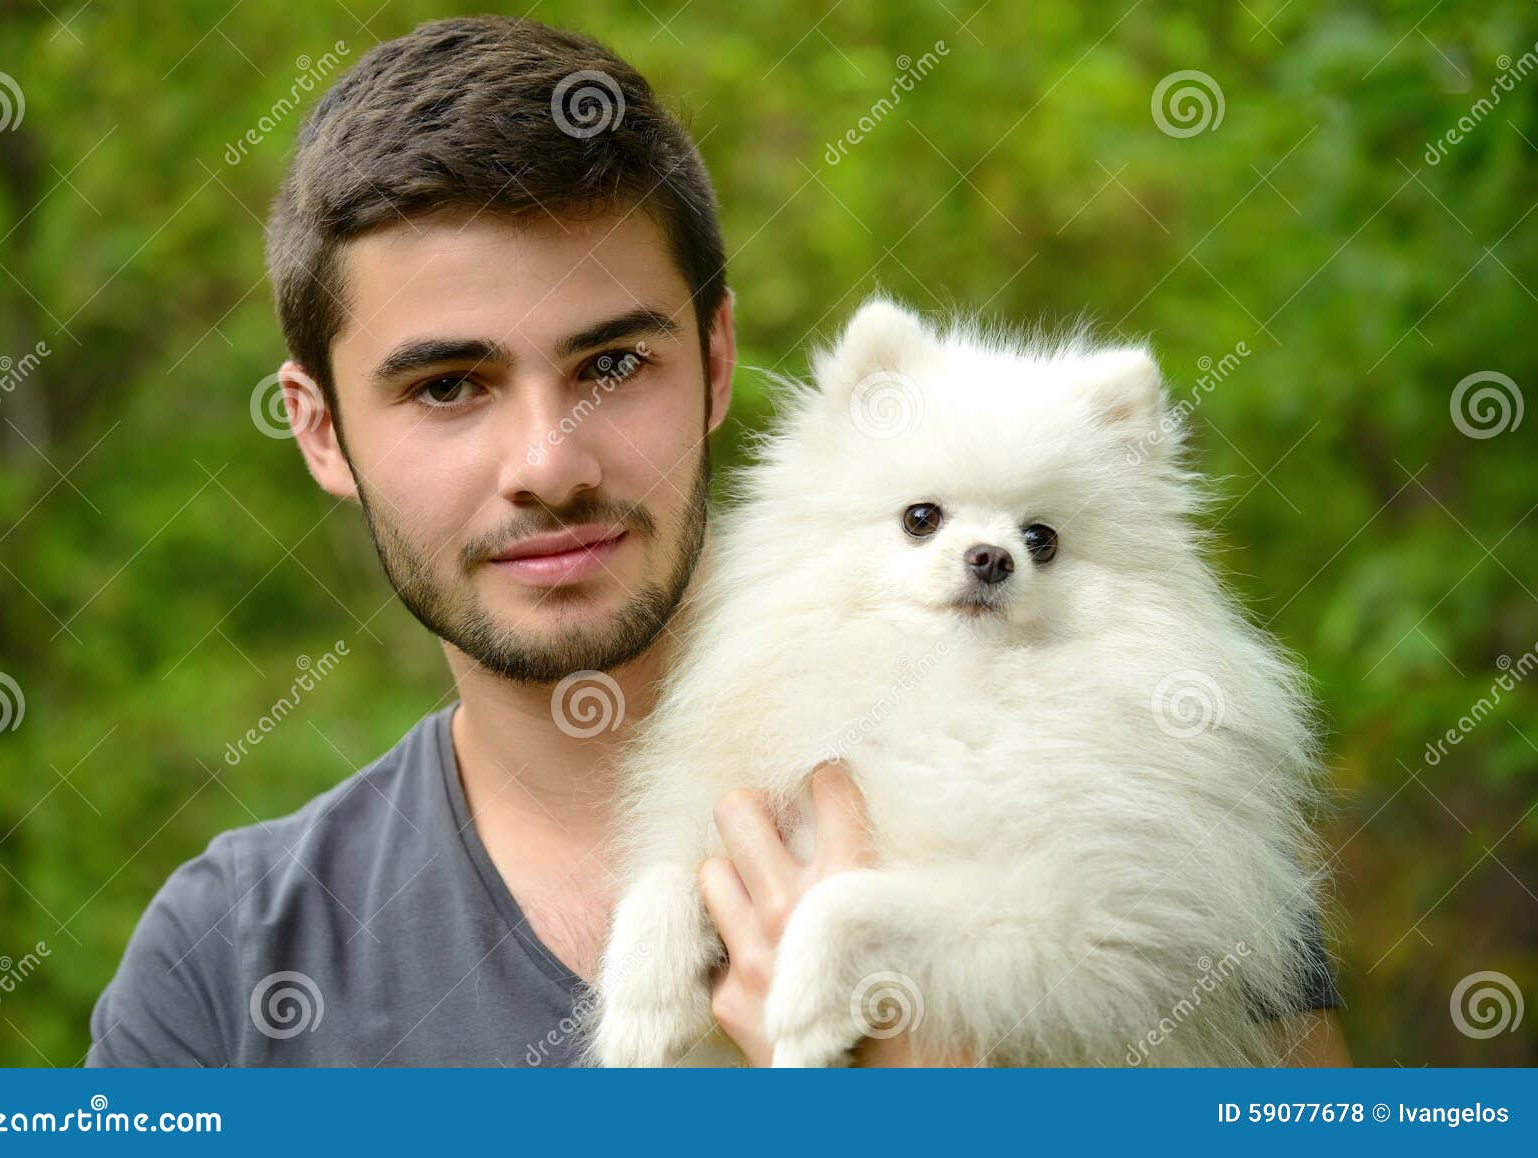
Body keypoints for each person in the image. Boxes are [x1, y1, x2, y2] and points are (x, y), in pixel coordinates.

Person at [86, 14, 1349, 1068]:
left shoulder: (1146, 824)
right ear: (318, 431)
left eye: (611, 364)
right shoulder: (227, 972)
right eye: (448, 386)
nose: (548, 465)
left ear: (717, 363)